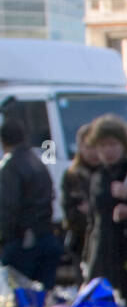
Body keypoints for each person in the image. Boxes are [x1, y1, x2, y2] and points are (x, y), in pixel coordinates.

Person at [84, 114, 127, 299]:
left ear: (123, 145)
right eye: (102, 145)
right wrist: (87, 255)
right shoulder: (97, 176)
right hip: (102, 247)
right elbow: (93, 219)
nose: (108, 151)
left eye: (113, 144)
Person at [0, 119, 62, 288]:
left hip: (22, 240)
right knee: (43, 294)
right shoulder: (38, 162)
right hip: (46, 235)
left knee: (17, 294)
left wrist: (6, 236)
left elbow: (9, 206)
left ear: (3, 141)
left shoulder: (10, 166)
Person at [60, 123, 100, 270]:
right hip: (81, 242)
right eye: (88, 147)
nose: (93, 152)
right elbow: (69, 212)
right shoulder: (72, 175)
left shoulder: (109, 172)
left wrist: (92, 209)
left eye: (96, 147)